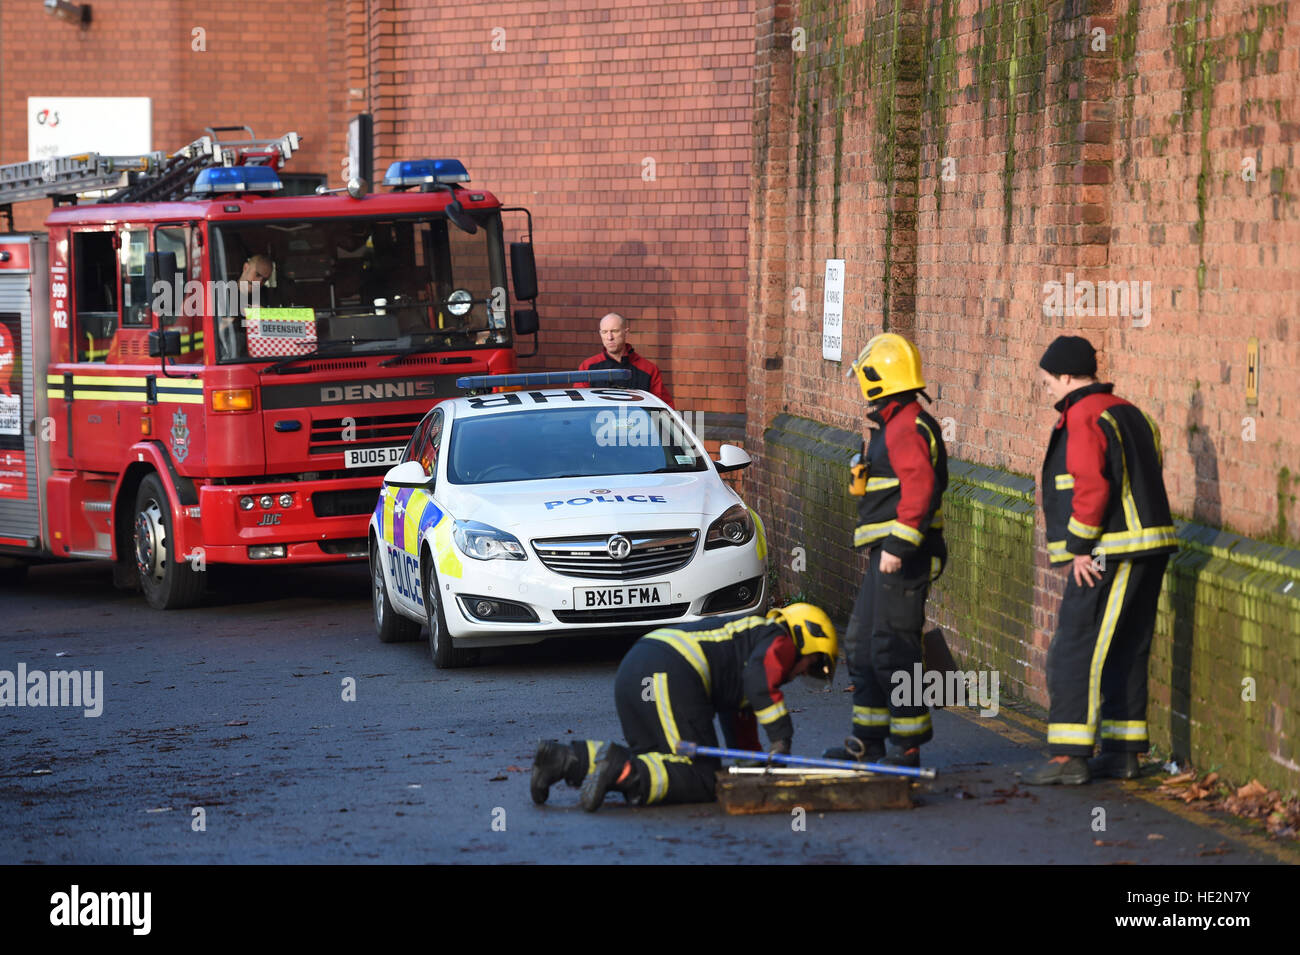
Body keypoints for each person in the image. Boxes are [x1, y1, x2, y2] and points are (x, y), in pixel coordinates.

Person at [1023, 336, 1177, 785]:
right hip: (1151, 546)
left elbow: (1091, 486)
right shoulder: (1131, 412)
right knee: (1126, 647)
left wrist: (1078, 548)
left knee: (1076, 645)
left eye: (1048, 380)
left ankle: (1069, 757)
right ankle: (1123, 752)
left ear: (1068, 377)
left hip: (1111, 550)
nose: (1047, 389)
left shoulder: (1084, 415)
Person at [529, 603, 837, 811]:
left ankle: (564, 760)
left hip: (637, 666)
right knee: (701, 777)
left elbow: (740, 721)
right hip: (671, 669)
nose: (800, 675)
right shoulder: (778, 639)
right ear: (804, 635)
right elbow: (761, 685)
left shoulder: (746, 649)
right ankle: (622, 770)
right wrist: (782, 739)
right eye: (811, 666)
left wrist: (757, 765)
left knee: (659, 760)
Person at [824, 333, 947, 769]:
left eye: (864, 376)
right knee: (860, 645)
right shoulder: (894, 424)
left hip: (903, 554)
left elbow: (919, 489)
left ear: (878, 378)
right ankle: (868, 741)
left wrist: (897, 544)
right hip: (888, 553)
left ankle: (906, 748)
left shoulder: (907, 426)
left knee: (892, 647)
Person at [577, 312, 673, 405]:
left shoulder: (648, 369)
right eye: (604, 332)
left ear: (626, 333)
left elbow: (663, 408)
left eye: (615, 331)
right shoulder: (587, 367)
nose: (609, 337)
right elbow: (578, 404)